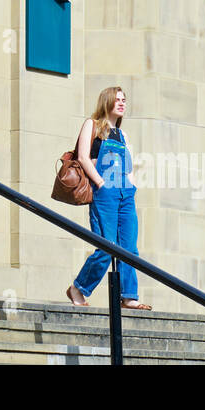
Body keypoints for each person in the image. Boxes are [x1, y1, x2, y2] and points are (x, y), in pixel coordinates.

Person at [65, 85, 152, 310]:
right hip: (104, 193)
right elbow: (83, 157)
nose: (122, 103)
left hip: (125, 194)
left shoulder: (122, 134)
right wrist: (101, 184)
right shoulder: (92, 125)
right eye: (118, 99)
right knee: (106, 247)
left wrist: (132, 185)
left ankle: (128, 296)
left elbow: (129, 165)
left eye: (124, 99)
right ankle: (78, 288)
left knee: (130, 249)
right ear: (107, 101)